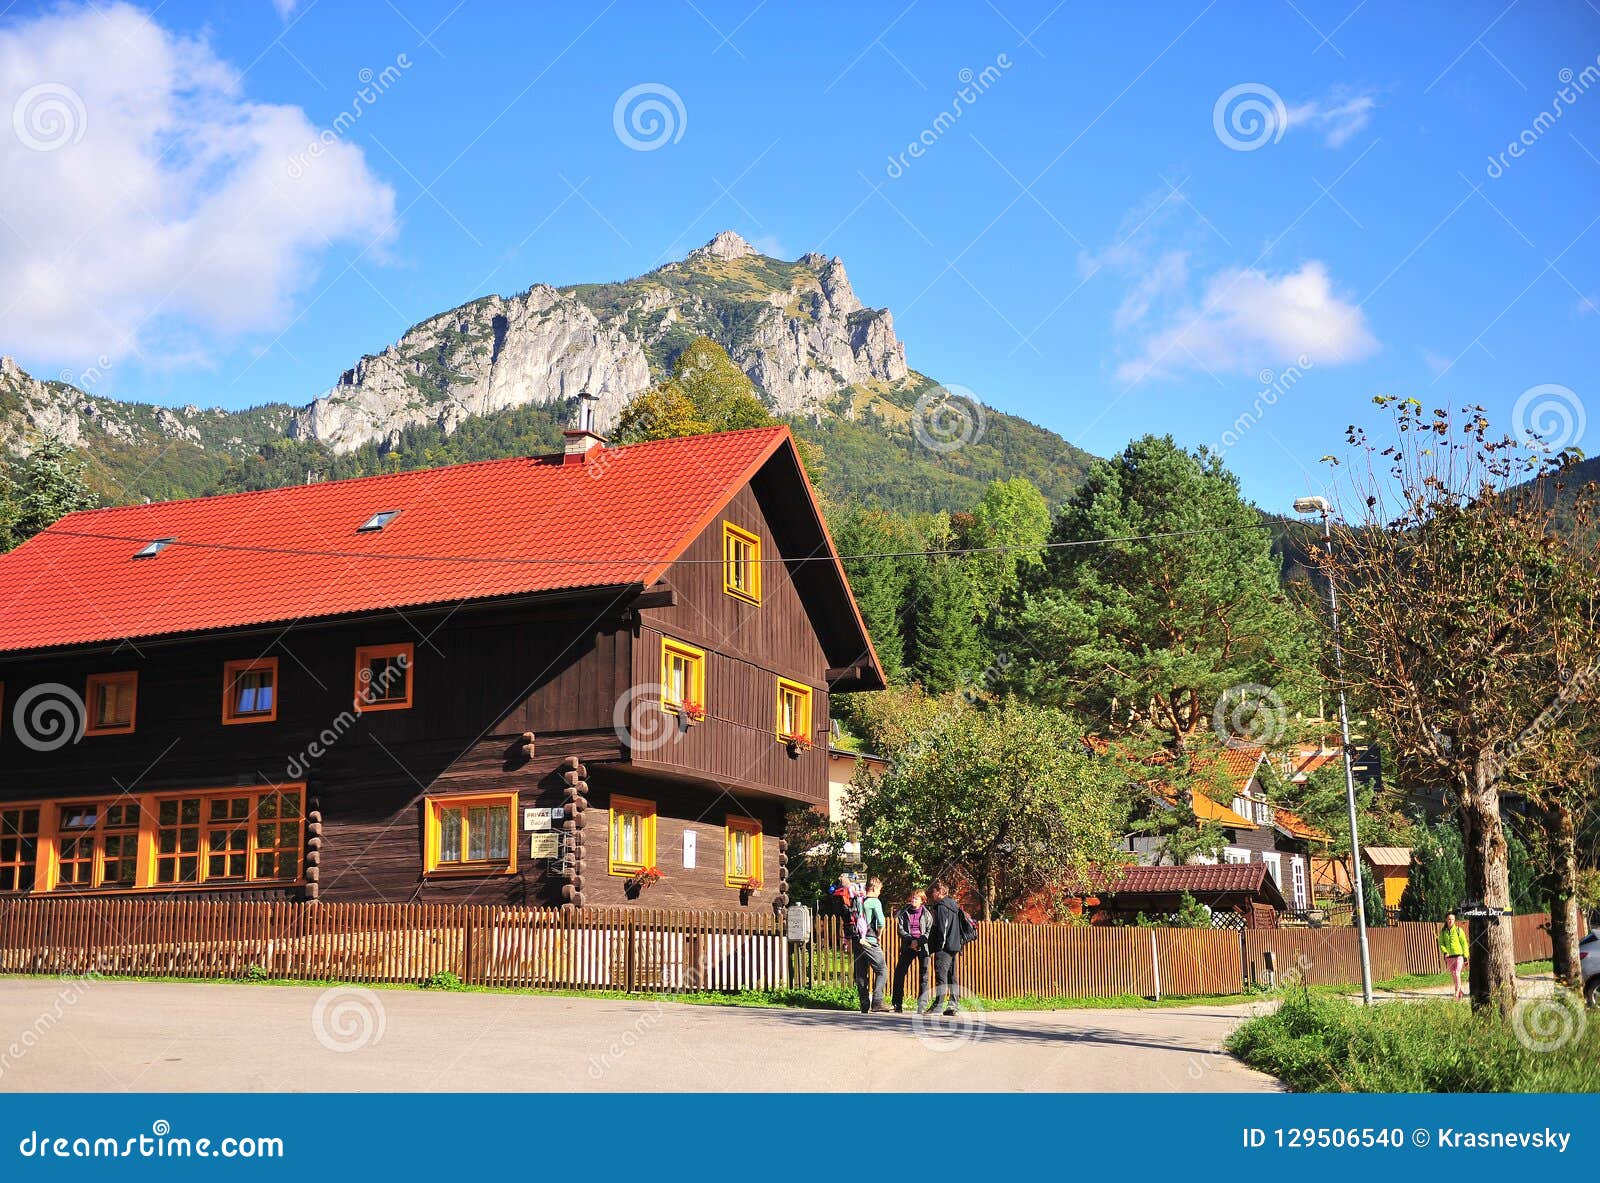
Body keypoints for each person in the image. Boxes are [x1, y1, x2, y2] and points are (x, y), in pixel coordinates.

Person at [927, 879, 966, 1017]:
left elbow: (943, 928)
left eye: (934, 891)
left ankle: (938, 1006)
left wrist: (939, 947)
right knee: (951, 976)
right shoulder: (954, 906)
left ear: (940, 892)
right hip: (955, 945)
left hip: (945, 947)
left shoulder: (942, 906)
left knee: (941, 976)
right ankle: (953, 1004)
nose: (932, 894)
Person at [851, 877, 889, 1014]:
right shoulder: (874, 901)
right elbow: (881, 923)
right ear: (874, 888)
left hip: (857, 940)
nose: (880, 892)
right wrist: (879, 935)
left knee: (861, 973)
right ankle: (877, 1001)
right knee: (882, 970)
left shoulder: (858, 901)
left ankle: (864, 1003)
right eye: (879, 889)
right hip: (869, 940)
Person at [892, 888, 933, 1013]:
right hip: (908, 946)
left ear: (922, 901)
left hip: (923, 946)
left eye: (916, 898)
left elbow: (929, 931)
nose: (913, 900)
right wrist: (911, 941)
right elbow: (900, 929)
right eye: (912, 898)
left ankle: (922, 1006)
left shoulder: (927, 914)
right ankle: (897, 1004)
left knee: (924, 976)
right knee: (899, 973)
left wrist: (918, 941)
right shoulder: (904, 913)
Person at [1439, 912, 1470, 1001]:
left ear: (1454, 920)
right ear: (1446, 920)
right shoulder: (1443, 932)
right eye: (1449, 919)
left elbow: (1464, 943)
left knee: (1457, 973)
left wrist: (1465, 956)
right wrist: (1445, 952)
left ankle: (1456, 994)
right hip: (1449, 957)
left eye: (1452, 919)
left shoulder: (1458, 930)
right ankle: (1460, 992)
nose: (1450, 921)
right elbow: (1441, 943)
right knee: (1453, 975)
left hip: (1459, 956)